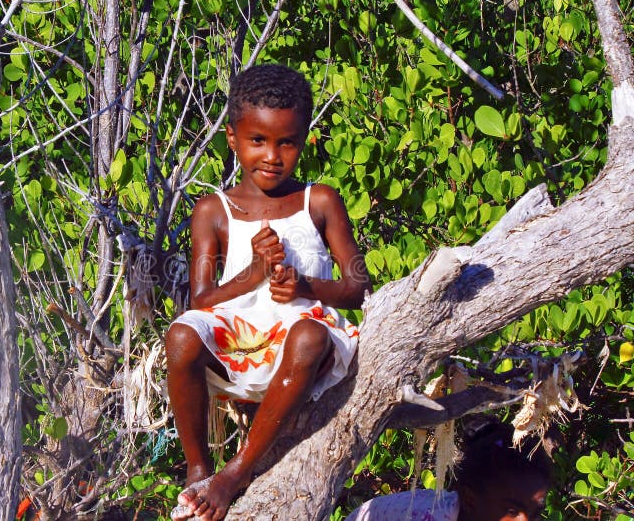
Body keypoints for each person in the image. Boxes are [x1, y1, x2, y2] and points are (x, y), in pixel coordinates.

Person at [165, 63, 370, 521]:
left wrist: (304, 284)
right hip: (240, 342)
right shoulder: (212, 211)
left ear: (303, 139)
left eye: (287, 142)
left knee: (309, 335)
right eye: (257, 141)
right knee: (180, 335)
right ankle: (198, 468)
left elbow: (357, 287)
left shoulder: (319, 201)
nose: (272, 156)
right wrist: (254, 273)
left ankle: (234, 474)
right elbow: (200, 302)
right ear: (233, 139)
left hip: (301, 352)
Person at [344, 422, 553, 521]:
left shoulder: (469, 511)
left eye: (535, 514)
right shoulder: (431, 518)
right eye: (512, 511)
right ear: (470, 499)